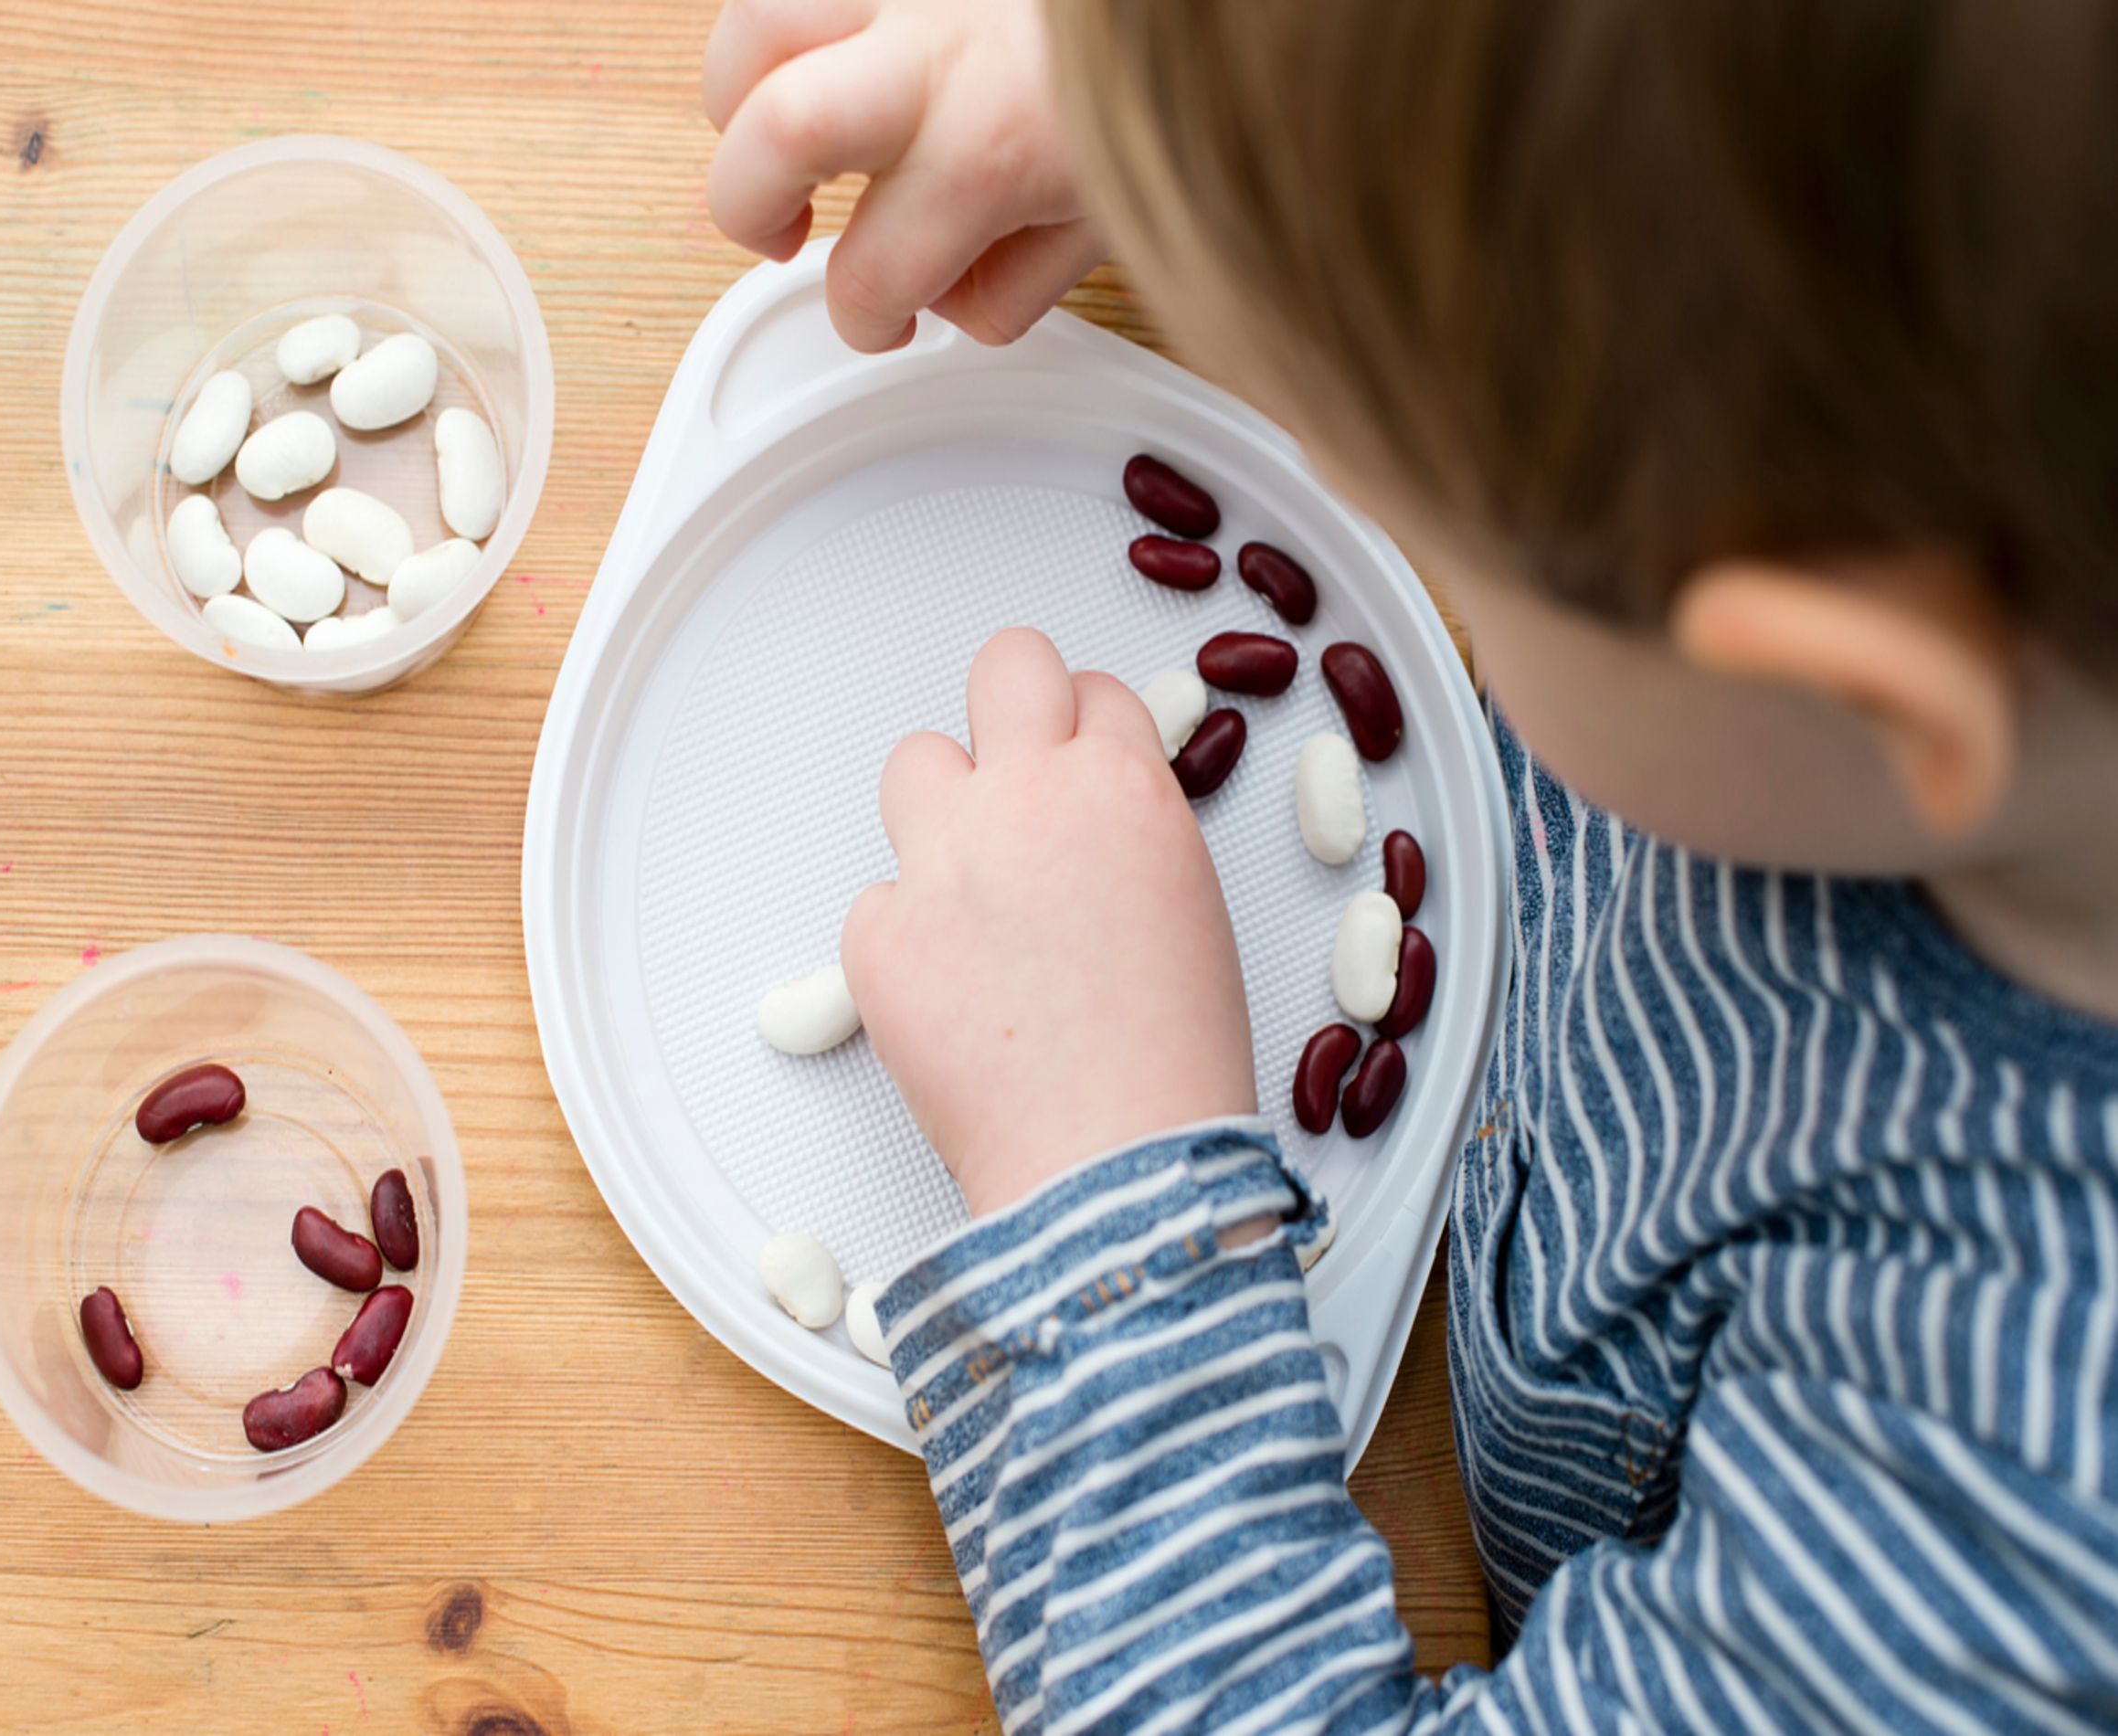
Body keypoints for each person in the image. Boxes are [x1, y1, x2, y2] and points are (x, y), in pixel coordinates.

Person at [703, 2, 2118, 1728]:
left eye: (1431, 506)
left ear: (1837, 676)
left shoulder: (2023, 1502)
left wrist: (1105, 1173)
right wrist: (1228, 112)